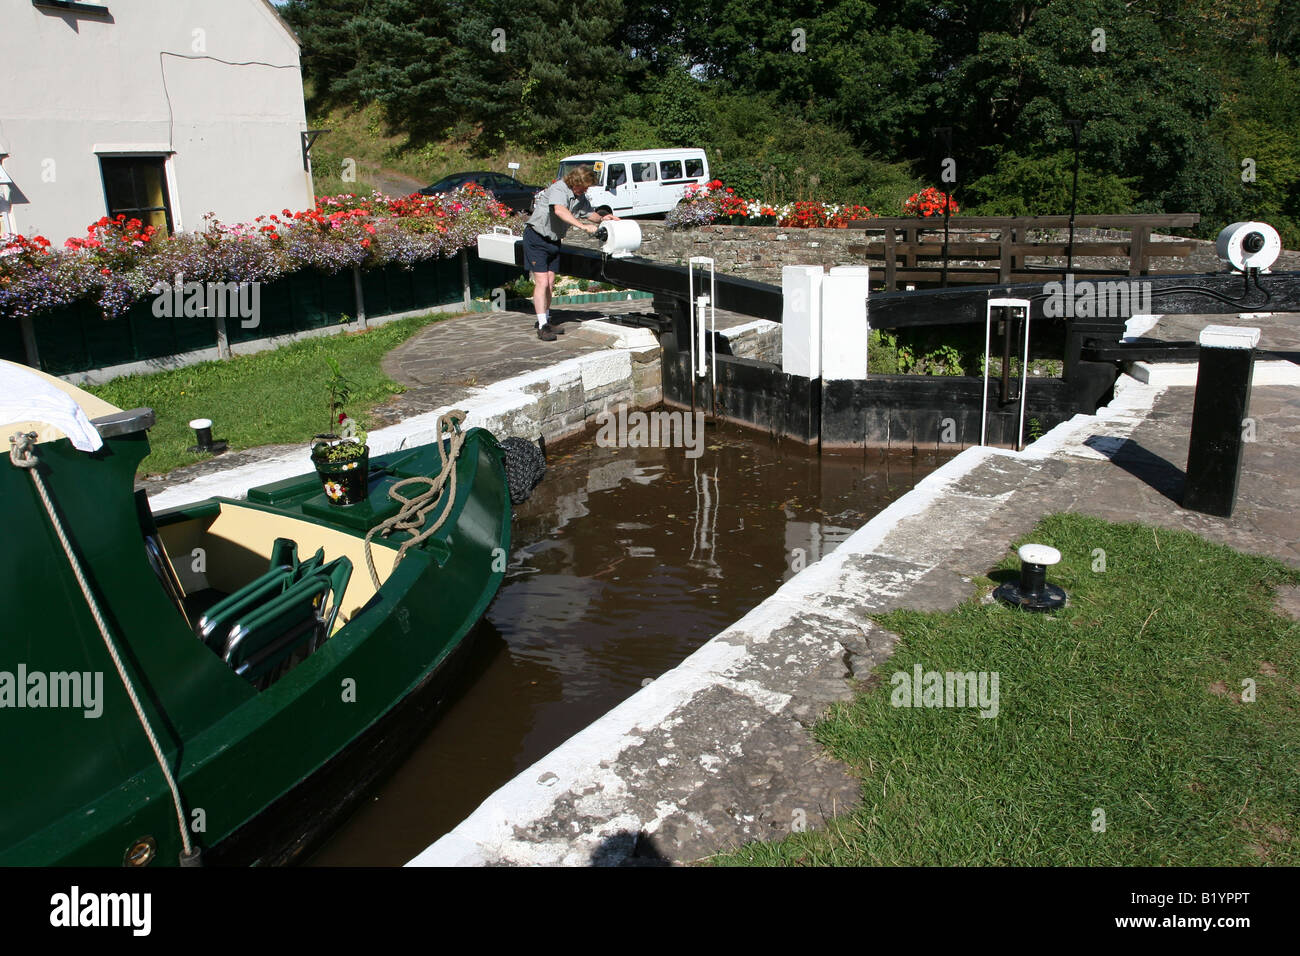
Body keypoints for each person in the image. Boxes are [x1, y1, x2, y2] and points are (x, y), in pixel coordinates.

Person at [522, 165, 618, 340]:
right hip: (536, 238)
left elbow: (590, 214)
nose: (586, 189)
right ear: (577, 182)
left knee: (550, 283)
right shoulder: (559, 188)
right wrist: (582, 226)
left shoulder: (579, 196)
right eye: (585, 186)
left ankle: (546, 319)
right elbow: (559, 210)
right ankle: (542, 326)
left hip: (553, 240)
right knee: (542, 282)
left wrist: (604, 217)